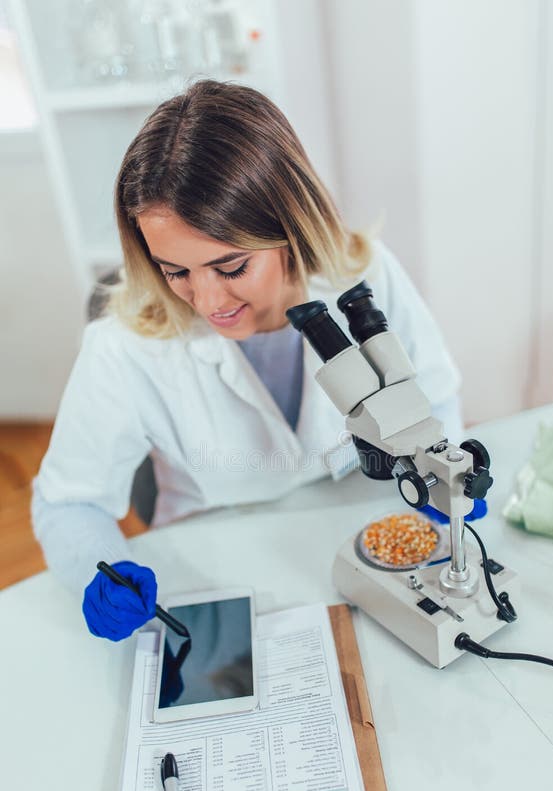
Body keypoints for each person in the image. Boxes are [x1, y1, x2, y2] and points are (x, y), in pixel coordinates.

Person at [32, 79, 462, 641]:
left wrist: (442, 492)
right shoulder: (125, 345)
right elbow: (70, 503)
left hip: (365, 540)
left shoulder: (364, 278)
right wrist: (98, 570)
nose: (208, 303)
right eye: (175, 271)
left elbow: (434, 395)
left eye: (231, 268)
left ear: (289, 229)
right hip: (211, 568)